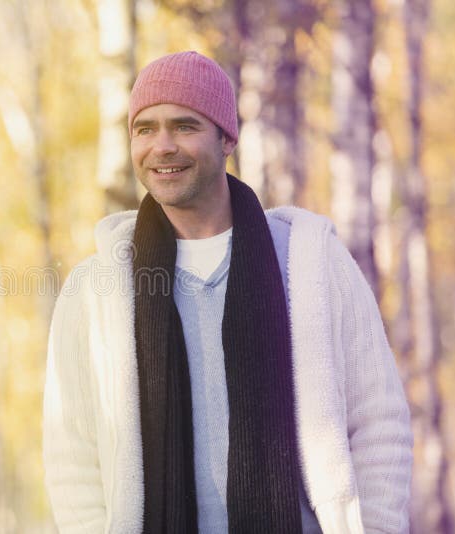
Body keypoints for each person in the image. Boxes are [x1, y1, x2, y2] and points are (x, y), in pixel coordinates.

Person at [42, 50, 412, 534]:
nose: (163, 146)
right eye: (145, 129)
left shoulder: (312, 266)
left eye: (185, 126)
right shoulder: (95, 291)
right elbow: (72, 457)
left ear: (227, 137)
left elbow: (379, 424)